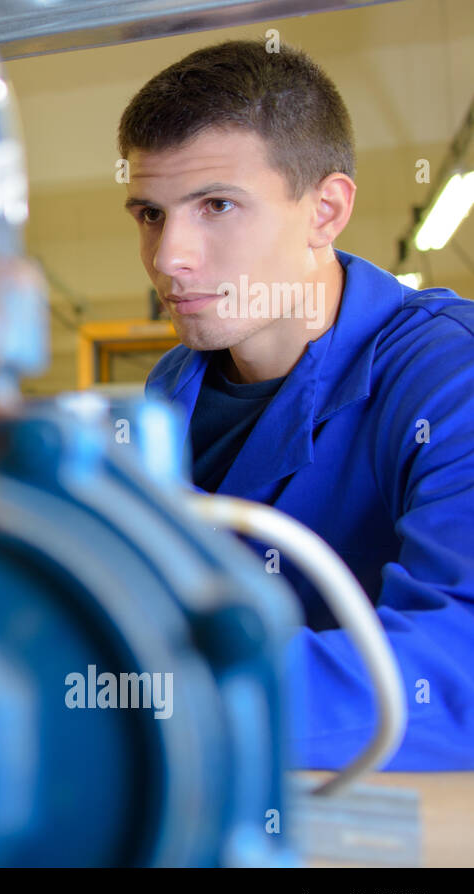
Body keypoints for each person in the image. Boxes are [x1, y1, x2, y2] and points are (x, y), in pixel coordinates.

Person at [122, 40, 474, 769]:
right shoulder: (164, 396)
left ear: (326, 209)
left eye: (216, 205)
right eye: (150, 214)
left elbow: (456, 669)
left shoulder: (450, 376)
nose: (168, 257)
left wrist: (155, 693)